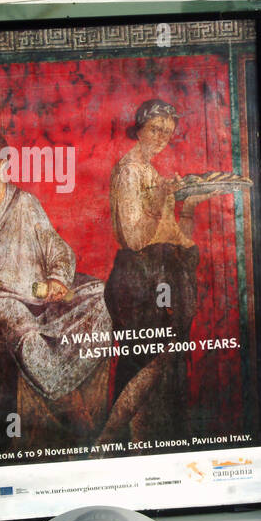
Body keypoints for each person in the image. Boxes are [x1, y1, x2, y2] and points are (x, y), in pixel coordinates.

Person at [0, 127, 112, 440]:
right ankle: (79, 426)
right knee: (23, 327)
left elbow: (55, 247)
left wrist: (57, 279)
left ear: (5, 161)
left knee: (99, 293)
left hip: (39, 294)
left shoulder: (26, 203)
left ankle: (78, 415)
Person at [99, 99, 200, 444]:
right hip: (138, 279)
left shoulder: (151, 171)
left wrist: (190, 206)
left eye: (167, 132)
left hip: (161, 276)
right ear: (139, 128)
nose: (161, 137)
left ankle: (140, 449)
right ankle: (109, 443)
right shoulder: (129, 170)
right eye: (155, 129)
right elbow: (135, 238)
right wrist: (160, 198)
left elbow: (171, 233)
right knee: (145, 363)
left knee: (162, 367)